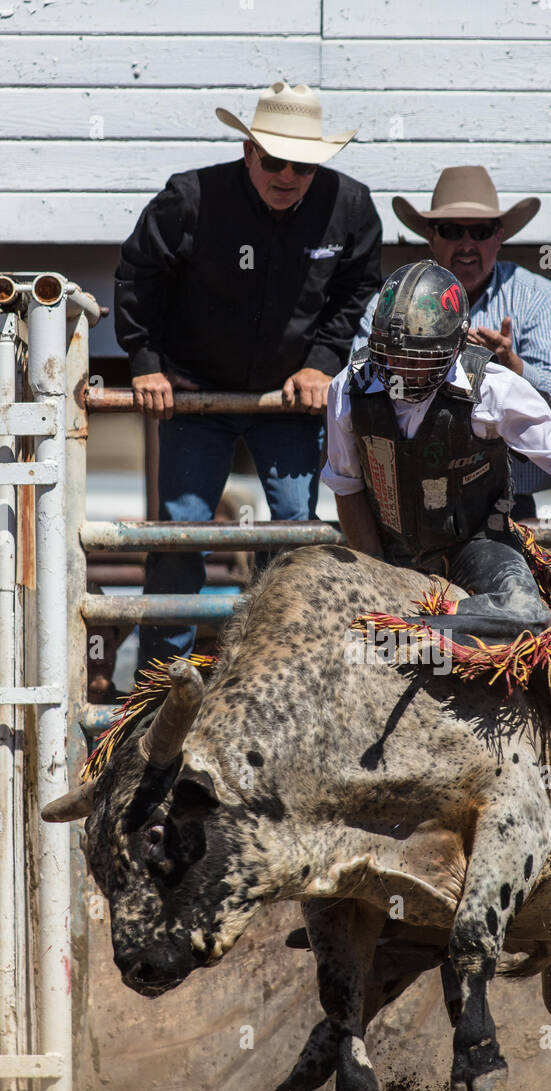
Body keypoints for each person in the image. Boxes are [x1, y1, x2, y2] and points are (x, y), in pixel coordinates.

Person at [324, 260, 551, 851]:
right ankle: (325, 838)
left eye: (419, 353)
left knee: (544, 630)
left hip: (477, 544)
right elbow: (348, 487)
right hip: (393, 554)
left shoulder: (493, 386)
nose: (404, 366)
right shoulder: (348, 390)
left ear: (452, 345)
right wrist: (378, 576)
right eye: (392, 351)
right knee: (327, 657)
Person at [115, 82, 382, 668]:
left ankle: (278, 670)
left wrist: (322, 363)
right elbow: (138, 275)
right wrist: (147, 363)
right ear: (248, 151)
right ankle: (160, 684)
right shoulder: (190, 198)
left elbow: (359, 288)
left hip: (285, 400)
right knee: (182, 535)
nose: (287, 175)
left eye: (304, 165)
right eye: (274, 160)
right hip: (197, 394)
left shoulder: (351, 207)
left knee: (292, 532)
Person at [352, 166, 551, 519]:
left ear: (499, 236)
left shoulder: (537, 297)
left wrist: (513, 367)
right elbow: (360, 379)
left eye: (481, 231)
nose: (467, 244)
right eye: (453, 231)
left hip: (506, 499)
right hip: (410, 494)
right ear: (431, 235)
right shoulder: (392, 296)